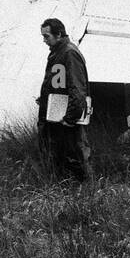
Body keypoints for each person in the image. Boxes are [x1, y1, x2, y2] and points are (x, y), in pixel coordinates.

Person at [37, 17, 93, 181]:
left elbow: (77, 89)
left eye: (46, 36)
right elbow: (60, 82)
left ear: (59, 34)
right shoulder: (59, 52)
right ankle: (68, 191)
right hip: (58, 116)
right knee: (61, 155)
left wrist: (71, 117)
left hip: (66, 118)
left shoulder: (69, 53)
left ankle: (85, 193)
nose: (44, 40)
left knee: (75, 156)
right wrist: (45, 99)